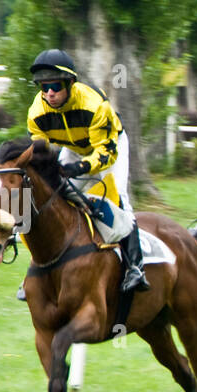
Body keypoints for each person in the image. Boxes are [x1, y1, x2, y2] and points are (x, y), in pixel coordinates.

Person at [26, 48, 147, 293]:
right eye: (43, 87)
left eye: (56, 86)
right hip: (73, 148)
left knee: (119, 198)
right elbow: (39, 154)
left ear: (70, 83)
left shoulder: (95, 105)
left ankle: (135, 267)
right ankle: (40, 268)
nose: (49, 93)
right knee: (54, 197)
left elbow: (104, 154)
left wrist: (79, 167)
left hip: (109, 147)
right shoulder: (36, 113)